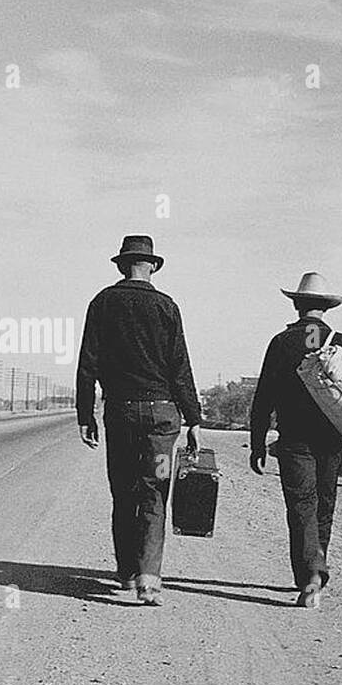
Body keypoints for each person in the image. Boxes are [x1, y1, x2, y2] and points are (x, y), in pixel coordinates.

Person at [76, 234, 202, 606]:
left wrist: (86, 415)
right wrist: (193, 417)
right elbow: (180, 366)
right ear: (152, 266)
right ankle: (149, 577)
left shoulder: (102, 302)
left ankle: (127, 572)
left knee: (123, 490)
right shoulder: (167, 307)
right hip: (163, 418)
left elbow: (88, 365)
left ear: (121, 265)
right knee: (154, 492)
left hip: (121, 414)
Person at [249, 272, 342, 608]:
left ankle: (310, 574)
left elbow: (263, 396)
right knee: (324, 505)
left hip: (294, 439)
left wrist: (257, 441)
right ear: (326, 307)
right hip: (332, 439)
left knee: (301, 506)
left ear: (296, 304)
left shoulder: (281, 343)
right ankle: (315, 571)